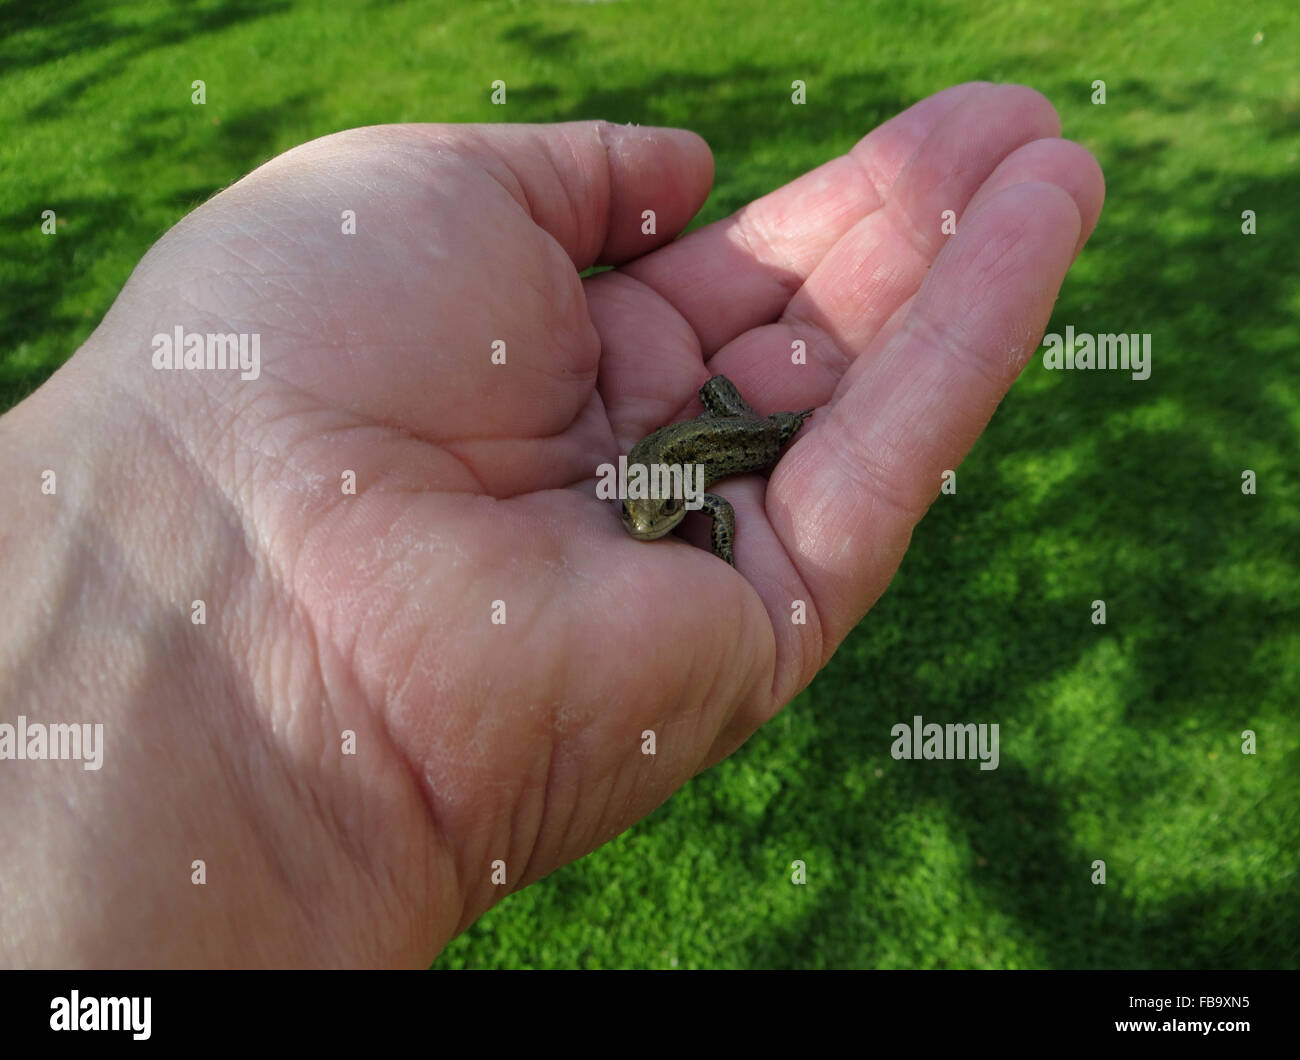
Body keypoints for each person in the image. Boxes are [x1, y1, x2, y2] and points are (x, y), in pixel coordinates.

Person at [0, 82, 1104, 967]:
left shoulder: (682, 479)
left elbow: (700, 475)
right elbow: (674, 482)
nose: (643, 514)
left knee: (792, 430)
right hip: (715, 438)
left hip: (729, 437)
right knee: (781, 430)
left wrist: (709, 513)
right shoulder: (652, 485)